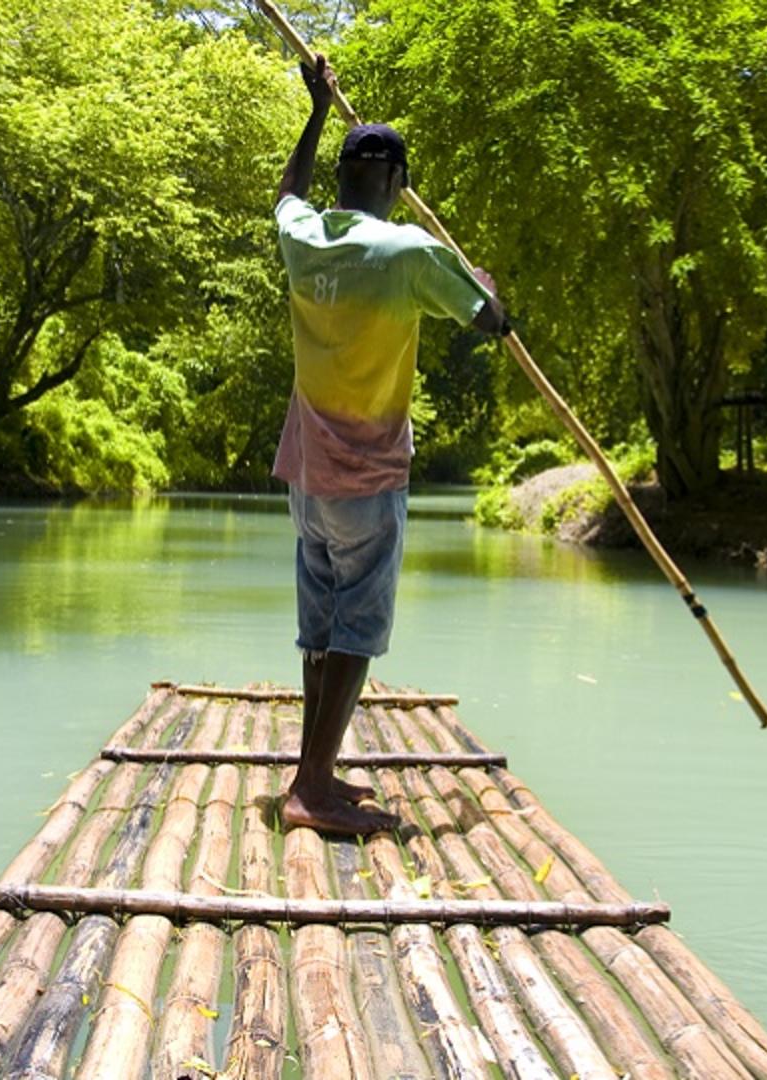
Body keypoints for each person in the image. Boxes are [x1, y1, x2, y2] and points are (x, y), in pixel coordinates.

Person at [271, 56, 509, 836]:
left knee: (320, 630)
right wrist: (483, 281)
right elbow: (491, 324)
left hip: (306, 475)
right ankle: (310, 789)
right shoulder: (411, 254)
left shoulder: (304, 239)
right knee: (356, 634)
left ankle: (317, 774)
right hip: (368, 479)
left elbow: (287, 197)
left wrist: (314, 111)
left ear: (341, 178)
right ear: (400, 182)